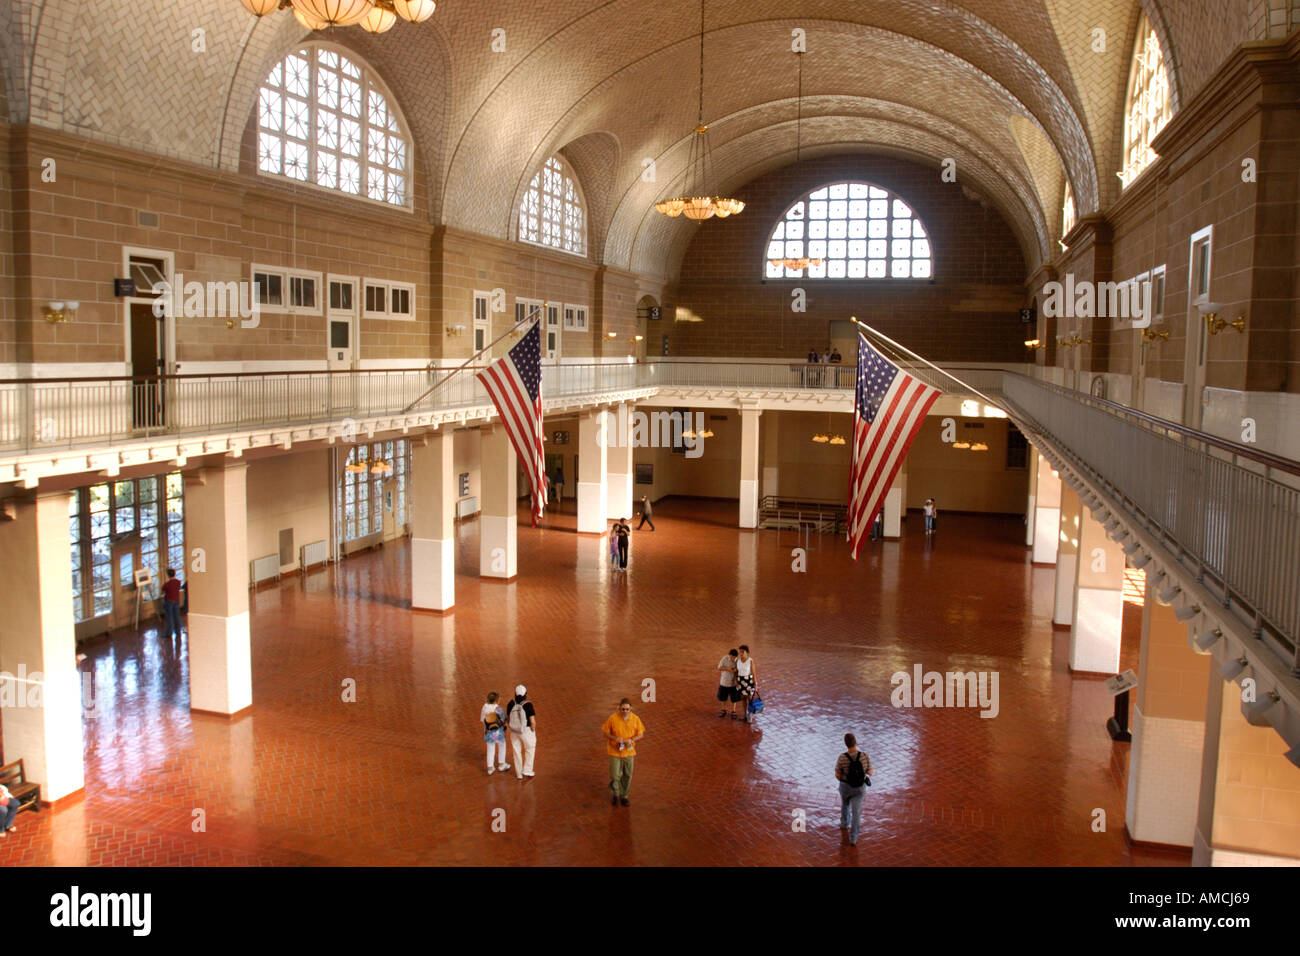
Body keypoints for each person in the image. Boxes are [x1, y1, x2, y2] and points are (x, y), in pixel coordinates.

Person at [602, 698, 646, 806]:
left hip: (629, 752)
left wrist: (631, 740)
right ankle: (616, 794)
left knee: (627, 775)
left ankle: (624, 796)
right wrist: (614, 738)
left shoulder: (636, 719)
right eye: (623, 709)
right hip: (614, 751)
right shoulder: (612, 718)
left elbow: (641, 734)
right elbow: (605, 733)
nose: (625, 711)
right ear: (619, 708)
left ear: (631, 709)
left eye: (627, 709)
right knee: (615, 775)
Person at [834, 733, 873, 846]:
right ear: (855, 742)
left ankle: (844, 823)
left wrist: (844, 778)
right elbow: (870, 772)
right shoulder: (864, 756)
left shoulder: (842, 757)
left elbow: (837, 774)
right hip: (859, 788)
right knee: (856, 812)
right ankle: (853, 838)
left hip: (846, 786)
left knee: (845, 804)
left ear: (846, 744)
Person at [506, 684, 537, 779]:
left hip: (514, 731)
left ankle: (518, 773)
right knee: (530, 749)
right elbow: (532, 721)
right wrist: (532, 730)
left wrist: (512, 727)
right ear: (525, 694)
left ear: (515, 694)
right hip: (526, 731)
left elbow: (508, 719)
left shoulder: (511, 703)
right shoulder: (528, 705)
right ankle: (527, 770)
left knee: (516, 751)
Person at [480, 691, 511, 775]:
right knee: (502, 745)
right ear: (496, 700)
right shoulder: (498, 709)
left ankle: (490, 767)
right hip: (498, 732)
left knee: (490, 748)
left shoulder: (484, 707)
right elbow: (503, 720)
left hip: (488, 732)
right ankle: (501, 764)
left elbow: (482, 719)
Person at [735, 644, 758, 723]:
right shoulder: (737, 661)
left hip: (749, 681)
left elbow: (754, 673)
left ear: (747, 652)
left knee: (750, 699)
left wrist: (756, 683)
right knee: (743, 699)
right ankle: (745, 715)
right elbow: (736, 672)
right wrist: (736, 681)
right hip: (741, 681)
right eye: (740, 652)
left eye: (742, 652)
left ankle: (750, 716)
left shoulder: (750, 661)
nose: (741, 654)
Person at [716, 648, 739, 718]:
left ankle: (733, 711)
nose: (733, 659)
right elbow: (719, 668)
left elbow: (739, 670)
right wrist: (727, 669)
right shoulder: (724, 659)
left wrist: (736, 671)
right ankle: (723, 710)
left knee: (734, 698)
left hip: (733, 683)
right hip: (724, 681)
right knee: (723, 697)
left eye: (735, 657)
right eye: (732, 657)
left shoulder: (737, 660)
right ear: (730, 655)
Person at [161, 568, 183, 640]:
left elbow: (163, 589)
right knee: (177, 617)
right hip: (176, 601)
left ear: (168, 575)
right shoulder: (178, 582)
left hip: (168, 602)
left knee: (169, 618)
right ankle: (178, 631)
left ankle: (169, 633)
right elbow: (179, 588)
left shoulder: (167, 584)